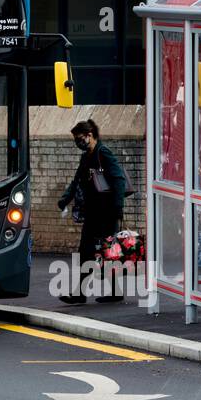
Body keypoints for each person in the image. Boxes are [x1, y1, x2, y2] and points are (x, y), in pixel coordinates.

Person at [58, 120, 128, 304]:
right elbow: (76, 182)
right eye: (76, 140)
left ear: (90, 135)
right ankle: (80, 293)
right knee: (86, 252)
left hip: (107, 213)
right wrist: (64, 200)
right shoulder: (86, 157)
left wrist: (117, 208)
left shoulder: (102, 153)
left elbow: (119, 179)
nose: (78, 143)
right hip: (93, 213)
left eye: (80, 139)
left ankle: (115, 292)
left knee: (107, 252)